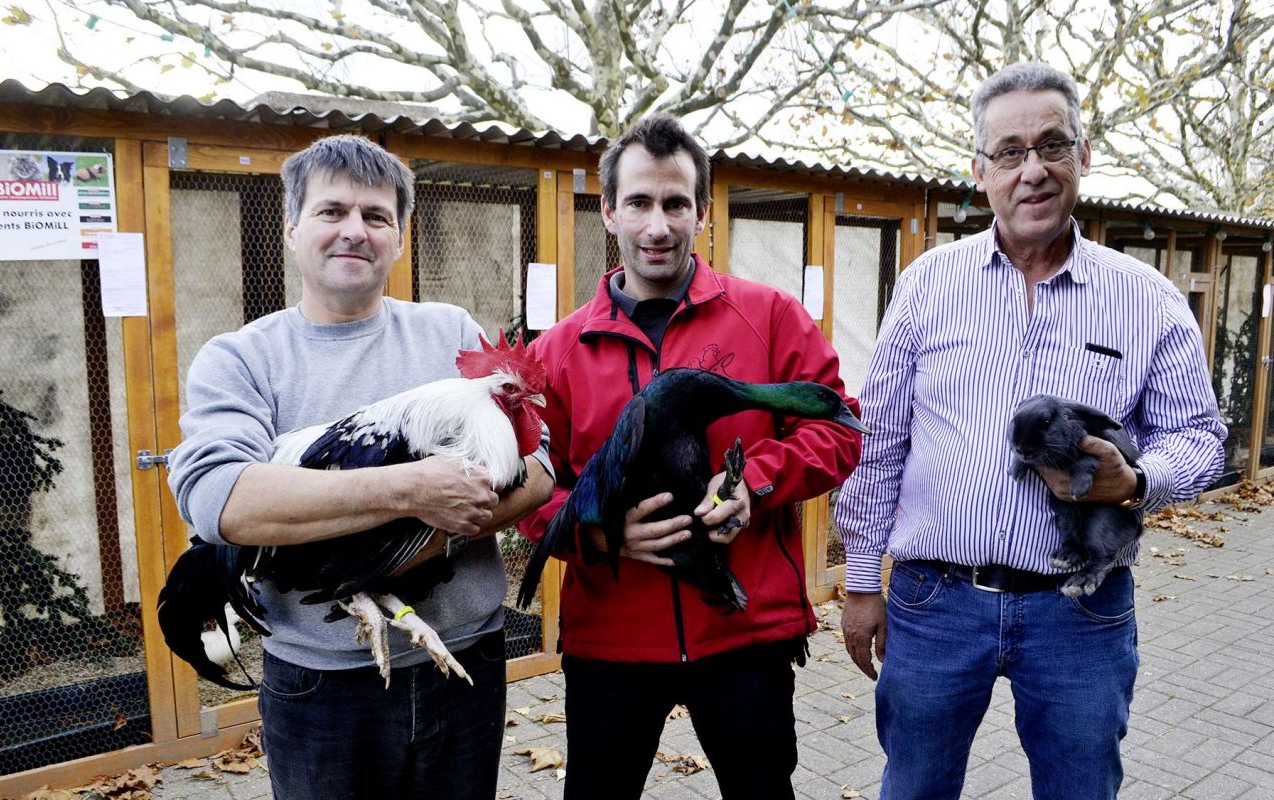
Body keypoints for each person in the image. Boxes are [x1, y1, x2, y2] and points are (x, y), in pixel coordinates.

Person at [835, 63, 1227, 799]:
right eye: (1010, 152)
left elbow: (1200, 439)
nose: (1033, 170)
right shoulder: (927, 284)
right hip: (935, 603)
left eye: (1052, 145)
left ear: (1083, 155)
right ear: (979, 170)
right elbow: (878, 443)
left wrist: (1136, 481)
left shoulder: (1148, 299)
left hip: (1081, 611)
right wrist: (862, 584)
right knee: (913, 788)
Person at [167, 134, 554, 800]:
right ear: (292, 226)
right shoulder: (240, 358)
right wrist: (410, 491)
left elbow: (537, 467)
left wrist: (426, 538)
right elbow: (219, 500)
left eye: (376, 217)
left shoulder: (449, 330)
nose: (355, 231)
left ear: (400, 237)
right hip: (324, 686)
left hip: (467, 661)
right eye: (332, 211)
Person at [517, 114, 863, 800]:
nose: (658, 225)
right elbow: (528, 489)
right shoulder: (556, 351)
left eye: (676, 203)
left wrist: (756, 485)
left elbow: (840, 431)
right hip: (612, 641)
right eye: (640, 202)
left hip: (744, 636)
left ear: (702, 212)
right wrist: (600, 532)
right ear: (609, 209)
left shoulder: (769, 316)